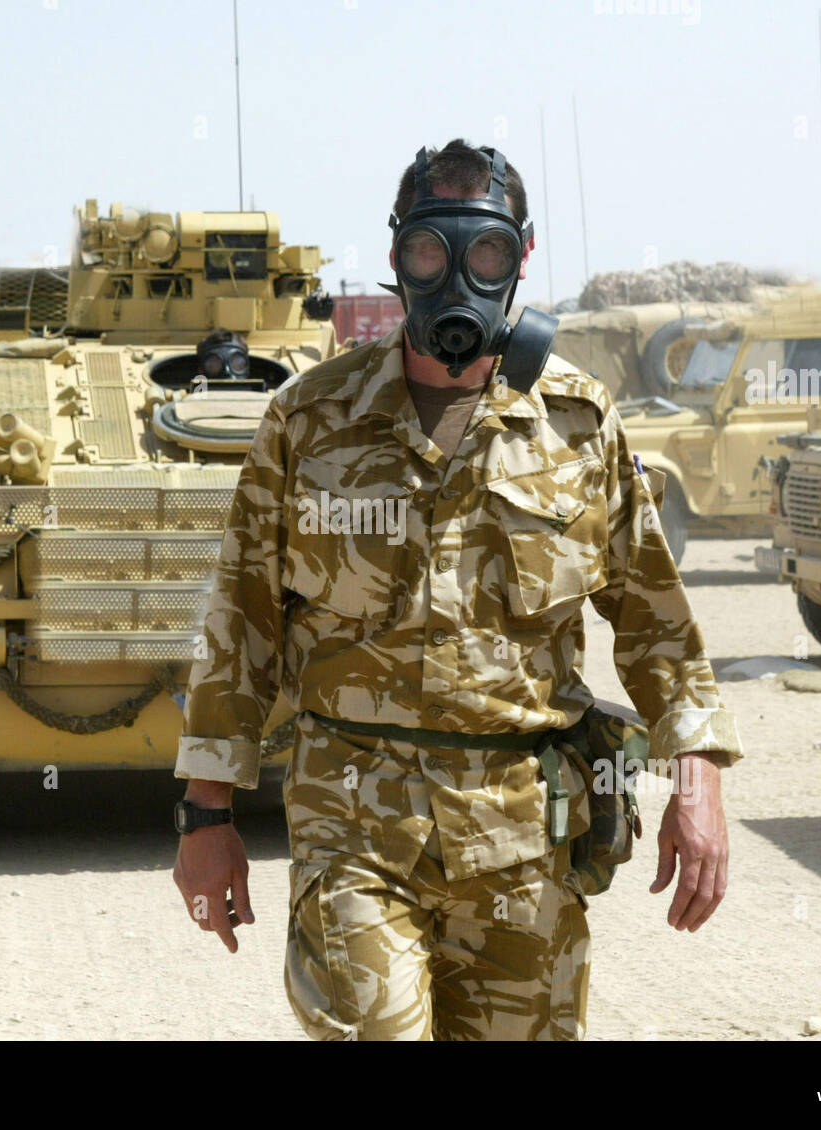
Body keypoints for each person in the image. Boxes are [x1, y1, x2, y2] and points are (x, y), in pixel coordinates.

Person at [171, 138, 743, 1041]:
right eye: (430, 253)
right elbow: (238, 625)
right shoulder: (310, 420)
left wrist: (698, 782)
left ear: (521, 255)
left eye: (482, 253)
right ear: (399, 255)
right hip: (354, 825)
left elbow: (655, 620)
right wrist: (204, 816)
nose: (455, 279)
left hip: (525, 846)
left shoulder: (578, 424)